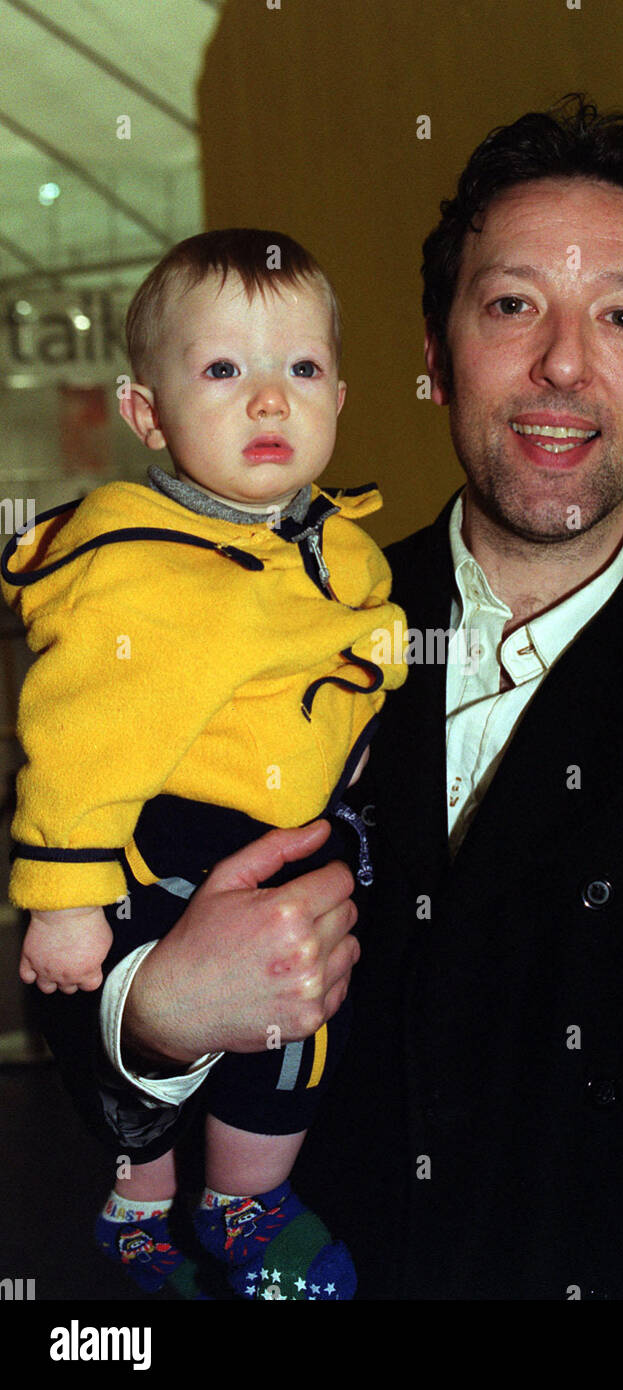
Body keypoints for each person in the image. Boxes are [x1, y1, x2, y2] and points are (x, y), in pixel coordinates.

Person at [26, 95, 623, 1300]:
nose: (563, 361)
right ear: (430, 351)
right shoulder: (232, 623)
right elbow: (72, 952)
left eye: (622, 316)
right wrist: (154, 1014)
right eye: (512, 304)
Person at [1, 229, 407, 1300]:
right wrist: (63, 897)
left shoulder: (337, 541)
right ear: (147, 415)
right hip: (161, 837)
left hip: (287, 836)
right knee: (195, 1022)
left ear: (341, 394)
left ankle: (236, 1203)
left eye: (300, 370)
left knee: (296, 1024)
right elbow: (80, 734)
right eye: (224, 370)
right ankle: (147, 1202)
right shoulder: (134, 565)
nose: (269, 401)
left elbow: (358, 657)